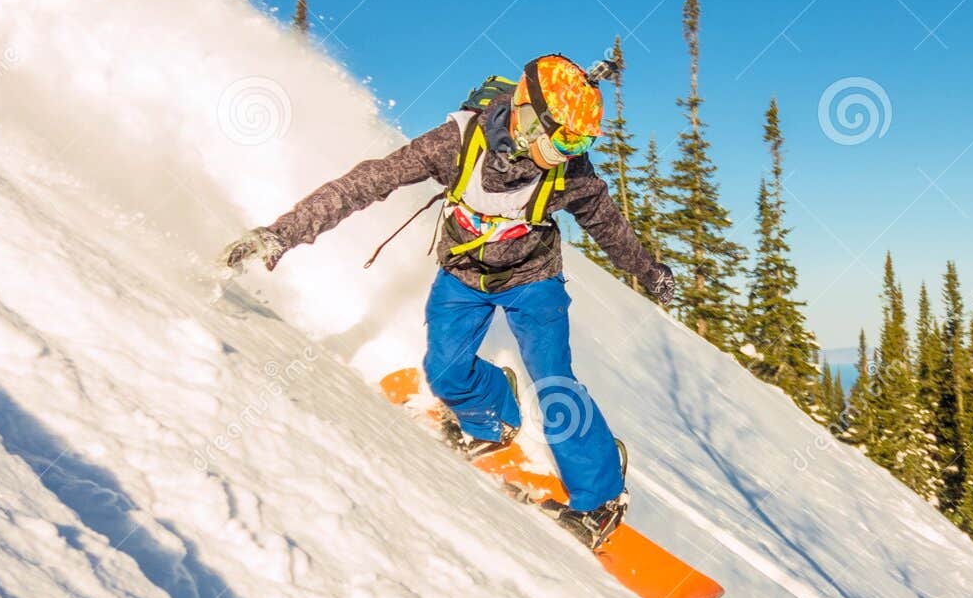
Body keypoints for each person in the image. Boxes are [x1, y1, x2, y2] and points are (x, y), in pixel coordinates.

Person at [222, 54, 674, 548]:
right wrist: (281, 234)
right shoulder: (455, 145)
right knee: (443, 370)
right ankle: (491, 417)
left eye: (583, 143)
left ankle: (601, 498)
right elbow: (366, 183)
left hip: (533, 278)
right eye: (567, 139)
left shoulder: (572, 173)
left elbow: (609, 227)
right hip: (464, 274)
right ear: (527, 118)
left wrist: (650, 274)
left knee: (554, 380)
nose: (573, 152)